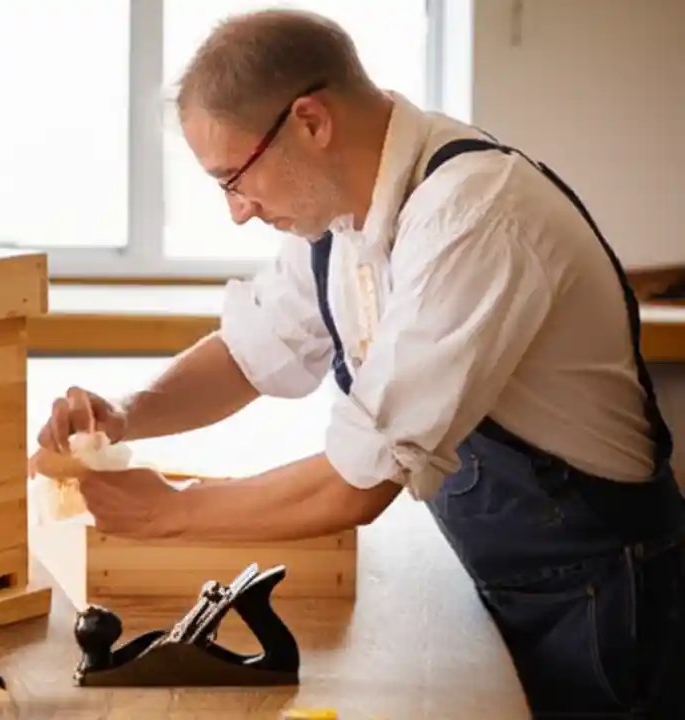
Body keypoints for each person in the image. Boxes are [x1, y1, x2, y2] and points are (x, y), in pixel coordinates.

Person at [34, 9, 685, 719]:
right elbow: (249, 355)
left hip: (603, 597)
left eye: (235, 179)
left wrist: (172, 514)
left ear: (311, 122)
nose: (238, 211)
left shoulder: (474, 217)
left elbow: (359, 484)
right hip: (507, 576)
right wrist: (126, 416)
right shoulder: (338, 218)